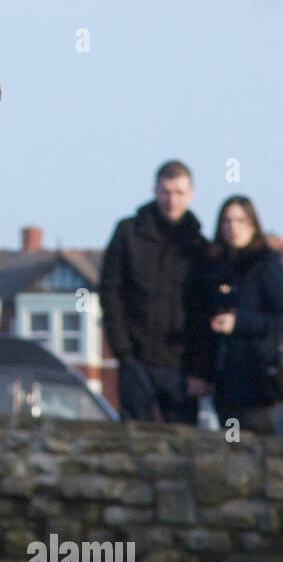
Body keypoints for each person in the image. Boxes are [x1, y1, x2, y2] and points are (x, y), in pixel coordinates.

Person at [99, 160, 205, 424]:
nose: (172, 200)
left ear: (190, 194)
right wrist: (123, 351)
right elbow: (109, 292)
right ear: (155, 191)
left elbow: (204, 312)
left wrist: (199, 370)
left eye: (179, 193)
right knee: (133, 447)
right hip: (136, 361)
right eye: (166, 192)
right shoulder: (128, 233)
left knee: (183, 451)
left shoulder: (200, 247)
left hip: (180, 368)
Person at [185, 196, 283, 436]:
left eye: (240, 220)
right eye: (227, 221)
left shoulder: (267, 266)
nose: (233, 227)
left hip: (260, 382)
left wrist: (239, 323)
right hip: (225, 383)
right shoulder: (213, 267)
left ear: (252, 224)